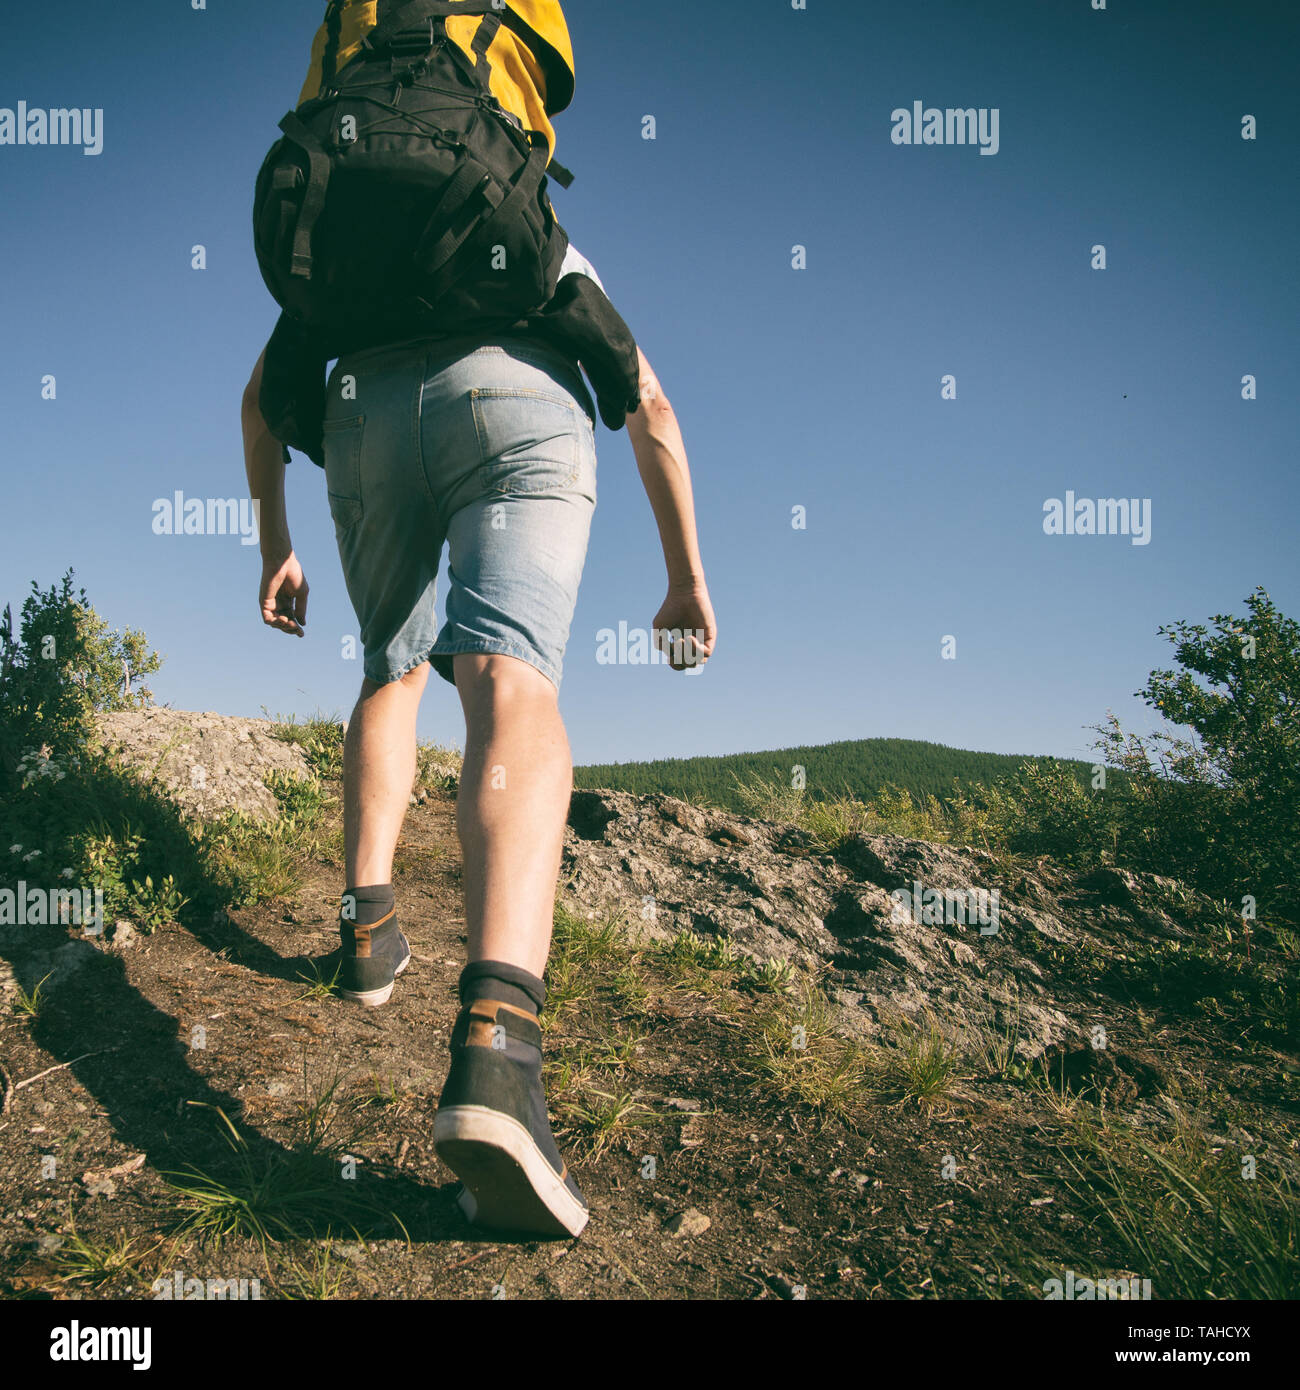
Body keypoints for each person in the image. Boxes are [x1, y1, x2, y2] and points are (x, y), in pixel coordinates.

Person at [241, 1, 717, 1240]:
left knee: (389, 672)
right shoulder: (537, 232)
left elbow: (257, 400)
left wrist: (276, 547)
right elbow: (650, 408)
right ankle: (499, 1050)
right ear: (515, 110)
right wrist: (685, 577)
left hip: (358, 407)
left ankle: (367, 936)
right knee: (509, 676)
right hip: (518, 397)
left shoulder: (344, 263)